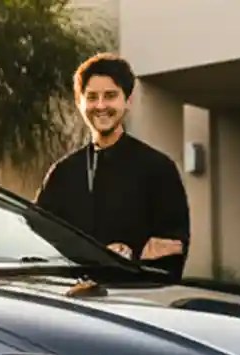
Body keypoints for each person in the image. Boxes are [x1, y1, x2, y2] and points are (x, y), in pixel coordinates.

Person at [35, 53, 191, 280]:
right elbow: (40, 239)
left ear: (127, 101)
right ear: (80, 103)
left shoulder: (158, 168)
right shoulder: (62, 173)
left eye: (110, 96)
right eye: (91, 97)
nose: (100, 106)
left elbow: (173, 248)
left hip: (136, 301)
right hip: (71, 301)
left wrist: (131, 256)